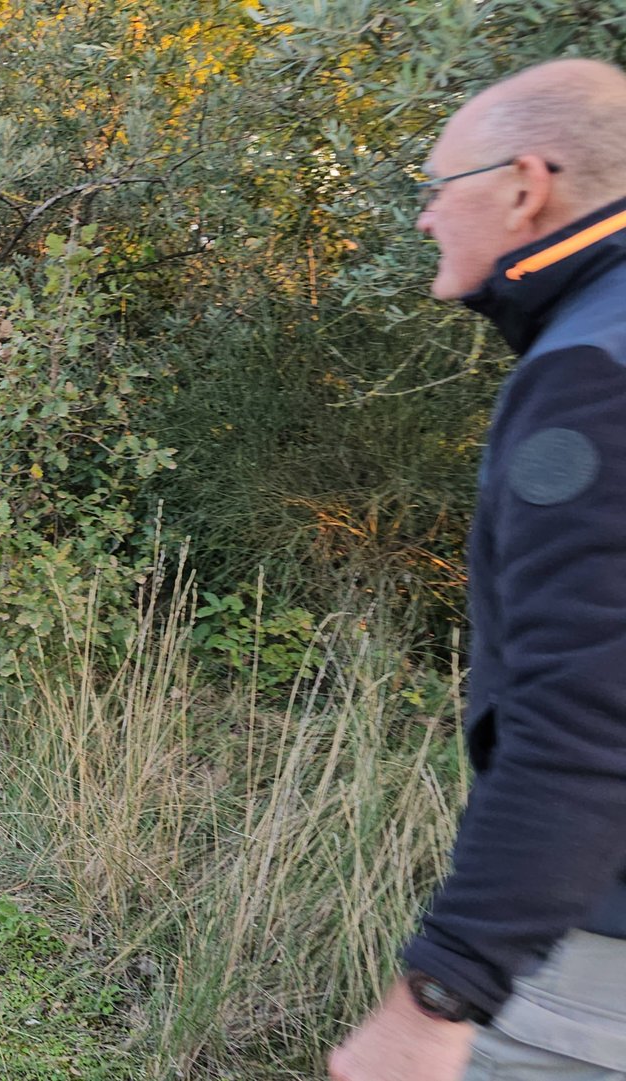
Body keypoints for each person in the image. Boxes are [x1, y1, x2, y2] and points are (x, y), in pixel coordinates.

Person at [330, 58, 626, 1081]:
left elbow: (584, 713)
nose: (424, 219)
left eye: (437, 187)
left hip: (599, 983)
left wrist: (443, 990)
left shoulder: (591, 374)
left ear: (523, 186)